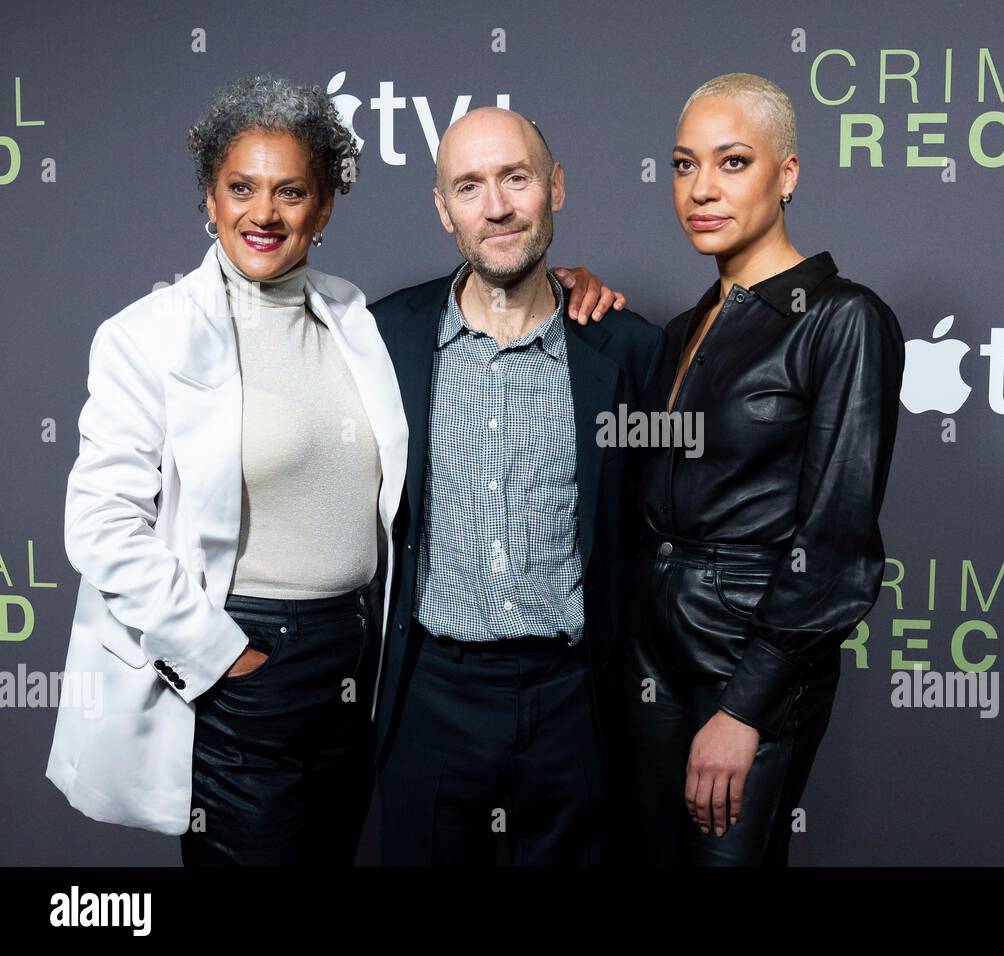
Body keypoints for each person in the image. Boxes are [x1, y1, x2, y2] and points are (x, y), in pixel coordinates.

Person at [44, 74, 620, 866]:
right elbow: (102, 528)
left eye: (291, 191)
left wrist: (568, 283)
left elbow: (502, 289)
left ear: (323, 209)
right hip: (243, 662)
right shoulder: (145, 336)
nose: (264, 213)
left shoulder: (359, 318)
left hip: (358, 670)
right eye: (240, 188)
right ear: (209, 201)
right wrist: (225, 658)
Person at [622, 72, 906, 866]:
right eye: (684, 165)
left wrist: (745, 709)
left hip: (747, 654)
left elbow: (838, 543)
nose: (701, 189)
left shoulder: (845, 319)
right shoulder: (683, 329)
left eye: (732, 162)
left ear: (787, 175)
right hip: (647, 653)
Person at [371, 106, 663, 866]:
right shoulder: (383, 339)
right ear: (443, 210)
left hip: (579, 704)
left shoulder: (630, 350)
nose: (496, 206)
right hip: (430, 700)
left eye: (516, 178)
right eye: (468, 187)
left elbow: (662, 536)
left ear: (556, 188)